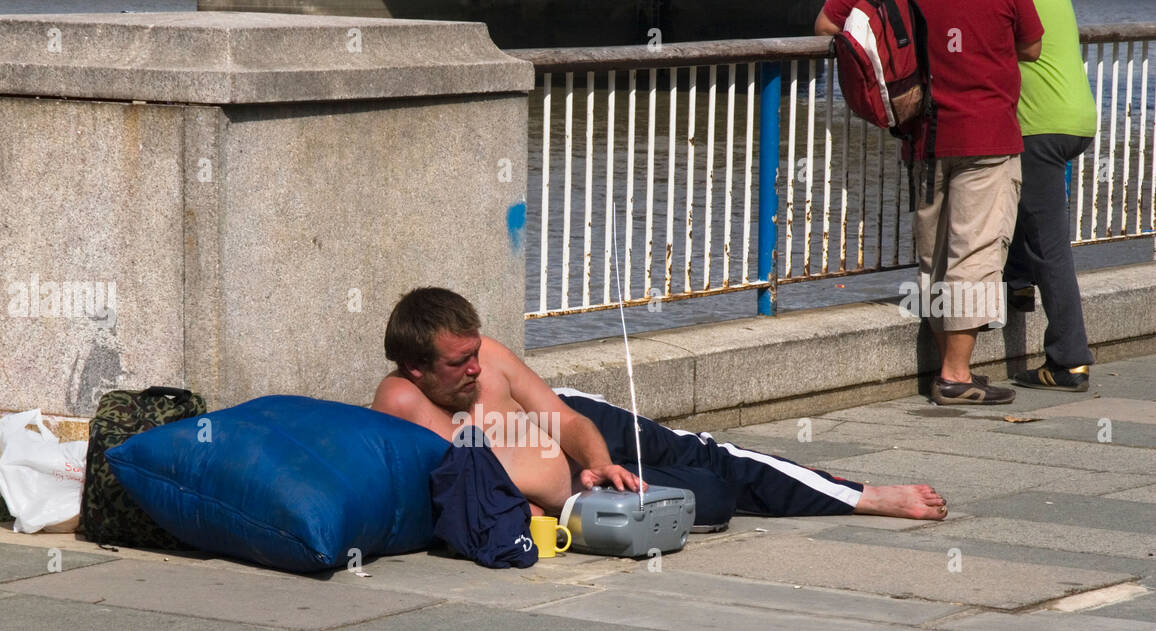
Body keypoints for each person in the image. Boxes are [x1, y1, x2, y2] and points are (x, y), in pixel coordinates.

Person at [371, 288, 948, 525]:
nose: (474, 369)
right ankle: (816, 484)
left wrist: (601, 463)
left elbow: (565, 419)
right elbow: (470, 473)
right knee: (713, 498)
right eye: (458, 363)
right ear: (417, 369)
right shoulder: (403, 396)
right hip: (565, 478)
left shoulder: (489, 358)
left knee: (718, 458)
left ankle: (863, 496)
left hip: (583, 432)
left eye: (475, 354)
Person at [816, 0, 1044, 405]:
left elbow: (826, 26)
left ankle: (950, 367)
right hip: (987, 133)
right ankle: (955, 376)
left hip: (923, 132)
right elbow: (1031, 47)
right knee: (974, 252)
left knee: (934, 255)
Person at [1004, 0, 1097, 392]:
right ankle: (1019, 281)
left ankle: (1069, 359)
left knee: (1050, 244)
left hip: (1039, 123)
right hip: (1077, 117)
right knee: (1029, 210)